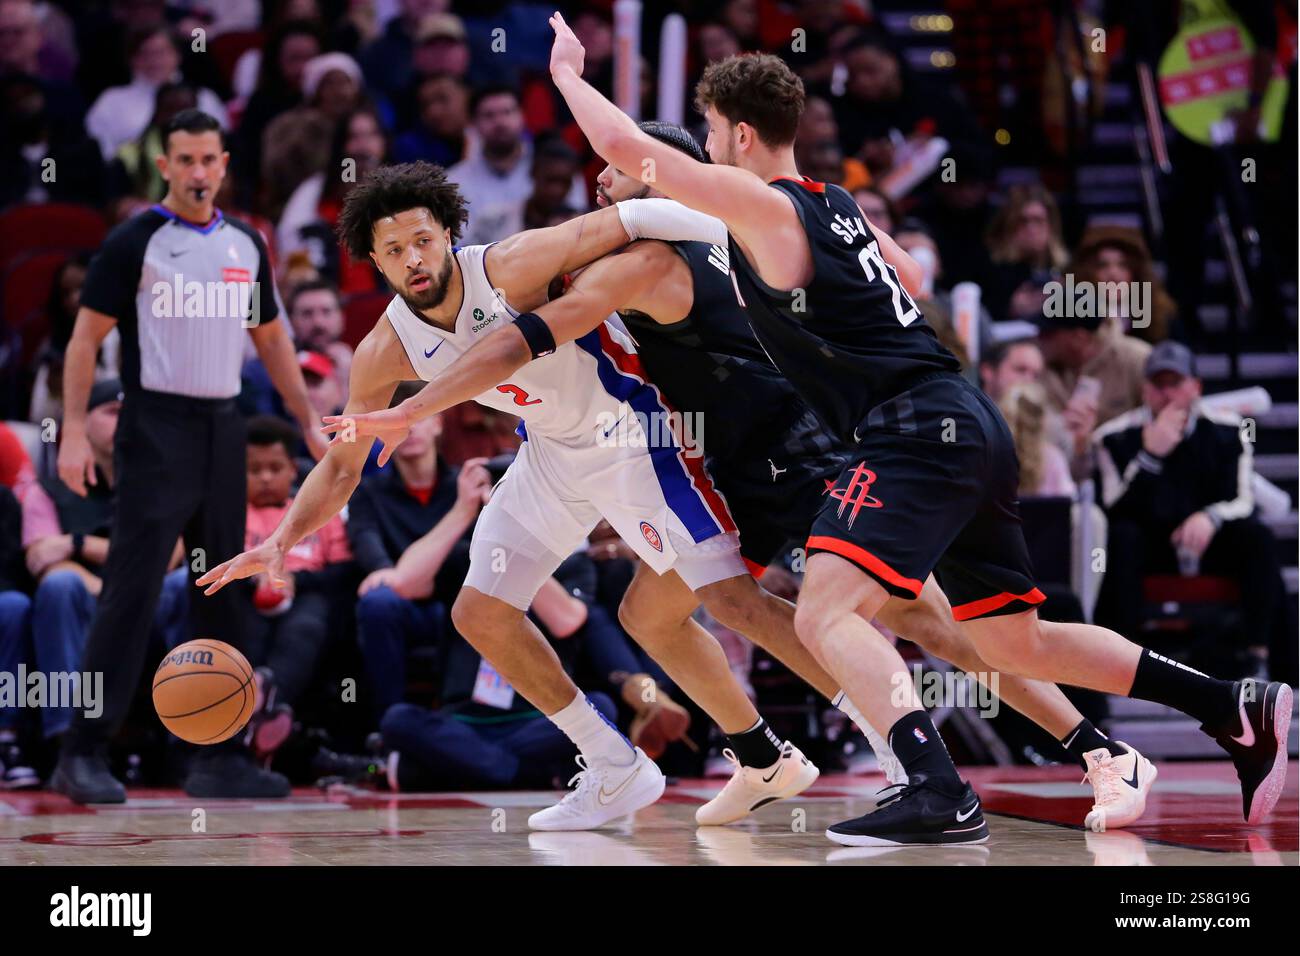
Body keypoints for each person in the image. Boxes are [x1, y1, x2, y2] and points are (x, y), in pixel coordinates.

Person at [543, 25, 1290, 842]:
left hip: (910, 428)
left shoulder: (767, 204)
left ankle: (937, 789)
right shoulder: (836, 203)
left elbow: (625, 145)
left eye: (714, 135)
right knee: (1013, 640)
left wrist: (571, 76)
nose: (712, 149)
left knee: (824, 615)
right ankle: (1230, 703)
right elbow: (913, 273)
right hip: (965, 418)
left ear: (741, 135)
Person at [366, 119, 1171, 832]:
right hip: (738, 460)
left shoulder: (643, 261)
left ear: (655, 179)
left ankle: (1088, 750)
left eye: (612, 173)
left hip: (797, 447)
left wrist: (421, 400)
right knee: (655, 612)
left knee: (928, 619)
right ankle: (760, 755)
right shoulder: (735, 234)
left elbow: (527, 337)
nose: (597, 186)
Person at [199, 161, 822, 833]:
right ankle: (617, 764)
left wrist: (756, 244)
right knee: (482, 612)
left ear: (446, 234)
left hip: (629, 430)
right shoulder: (382, 350)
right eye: (393, 250)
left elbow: (634, 218)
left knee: (728, 601)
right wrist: (281, 539)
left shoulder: (508, 265)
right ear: (375, 265)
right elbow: (344, 467)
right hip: (551, 454)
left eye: (423, 240)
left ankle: (892, 737)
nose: (413, 258)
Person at [48, 109, 326, 805]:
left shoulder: (247, 242)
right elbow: (83, 342)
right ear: (165, 167)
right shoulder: (135, 240)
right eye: (186, 160)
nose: (199, 172)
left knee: (221, 589)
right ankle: (81, 749)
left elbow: (271, 342)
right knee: (131, 593)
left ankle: (216, 755)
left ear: (224, 164)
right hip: (156, 424)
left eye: (210, 160)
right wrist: (76, 431)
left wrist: (308, 422)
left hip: (222, 426)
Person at [1093, 342, 1295, 684]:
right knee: (1122, 537)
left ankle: (1257, 654)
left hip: (1209, 541)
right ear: (1145, 390)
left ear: (1196, 387)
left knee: (1257, 537)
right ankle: (1123, 659)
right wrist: (1151, 455)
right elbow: (1114, 506)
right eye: (1159, 384)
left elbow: (1242, 499)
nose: (1167, 393)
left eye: (1176, 382)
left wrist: (1210, 517)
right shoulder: (1113, 436)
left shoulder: (1229, 430)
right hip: (1148, 543)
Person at [22, 380, 190, 741]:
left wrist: (77, 543)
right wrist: (105, 588)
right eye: (113, 412)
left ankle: (190, 733)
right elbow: (42, 559)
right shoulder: (48, 490)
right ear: (79, 425)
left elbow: (170, 555)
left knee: (187, 581)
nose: (126, 420)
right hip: (86, 603)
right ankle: (66, 737)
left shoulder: (159, 484)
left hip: (148, 601)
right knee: (59, 586)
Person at [240, 416, 354, 759]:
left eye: (274, 468)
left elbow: (344, 571)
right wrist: (252, 578)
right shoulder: (231, 515)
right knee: (246, 629)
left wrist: (296, 580)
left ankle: (265, 695)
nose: (264, 477)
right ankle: (266, 711)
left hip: (307, 594)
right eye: (253, 469)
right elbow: (206, 564)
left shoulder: (319, 510)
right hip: (247, 597)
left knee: (308, 623)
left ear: (293, 469)